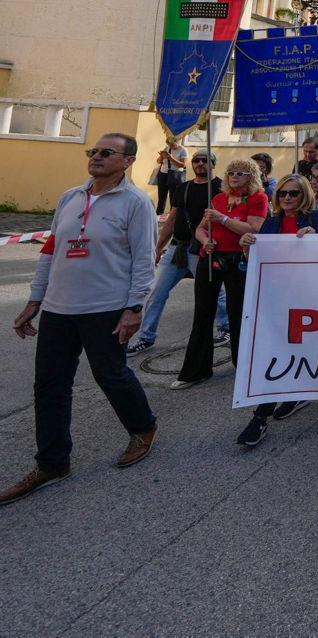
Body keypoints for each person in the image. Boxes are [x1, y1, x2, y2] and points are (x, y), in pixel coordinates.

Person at [2, 134, 159, 506]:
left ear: (127, 161)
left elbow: (143, 259)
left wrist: (135, 307)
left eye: (107, 152)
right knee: (50, 385)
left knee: (111, 374)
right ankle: (52, 463)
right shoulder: (71, 197)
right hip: (59, 307)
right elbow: (51, 251)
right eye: (93, 151)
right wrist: (34, 300)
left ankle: (143, 427)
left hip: (105, 307)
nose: (97, 157)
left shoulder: (136, 203)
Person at [232, 175, 318, 447]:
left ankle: (296, 392)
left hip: (308, 298)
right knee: (274, 354)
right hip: (276, 298)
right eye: (283, 193)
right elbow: (255, 262)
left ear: (305, 196)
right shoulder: (272, 222)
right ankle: (261, 416)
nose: (287, 198)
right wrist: (247, 249)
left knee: (299, 349)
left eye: (294, 193)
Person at [171, 159, 267, 389]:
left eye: (241, 173)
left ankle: (243, 366)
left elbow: (254, 229)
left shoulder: (258, 198)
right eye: (231, 172)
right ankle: (196, 371)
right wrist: (207, 240)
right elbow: (200, 229)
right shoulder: (218, 199)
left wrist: (223, 219)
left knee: (238, 313)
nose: (234, 176)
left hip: (238, 261)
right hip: (211, 258)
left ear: (251, 176)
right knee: (203, 313)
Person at [128, 151, 230, 354]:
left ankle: (225, 327)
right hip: (177, 248)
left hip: (201, 249)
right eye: (196, 161)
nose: (200, 164)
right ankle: (146, 337)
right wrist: (158, 248)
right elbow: (172, 219)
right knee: (157, 293)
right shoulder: (184, 187)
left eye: (205, 161)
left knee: (213, 292)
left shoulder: (221, 188)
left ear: (213, 164)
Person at [154, 139, 187, 214]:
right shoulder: (167, 148)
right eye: (169, 145)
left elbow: (183, 165)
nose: (171, 147)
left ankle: (172, 216)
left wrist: (171, 158)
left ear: (178, 142)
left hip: (175, 174)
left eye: (172, 145)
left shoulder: (183, 150)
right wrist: (161, 156)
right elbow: (158, 161)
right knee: (161, 196)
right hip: (163, 174)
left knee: (173, 197)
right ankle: (159, 214)